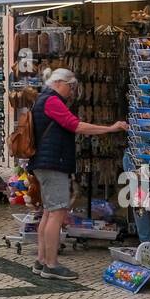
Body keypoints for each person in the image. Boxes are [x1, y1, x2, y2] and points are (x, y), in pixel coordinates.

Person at [29, 68, 129, 280]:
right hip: (53, 163)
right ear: (59, 83)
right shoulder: (52, 101)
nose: (72, 92)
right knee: (56, 213)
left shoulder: (43, 99)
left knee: (49, 212)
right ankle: (51, 264)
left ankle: (41, 260)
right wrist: (109, 129)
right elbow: (76, 126)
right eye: (71, 87)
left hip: (46, 162)